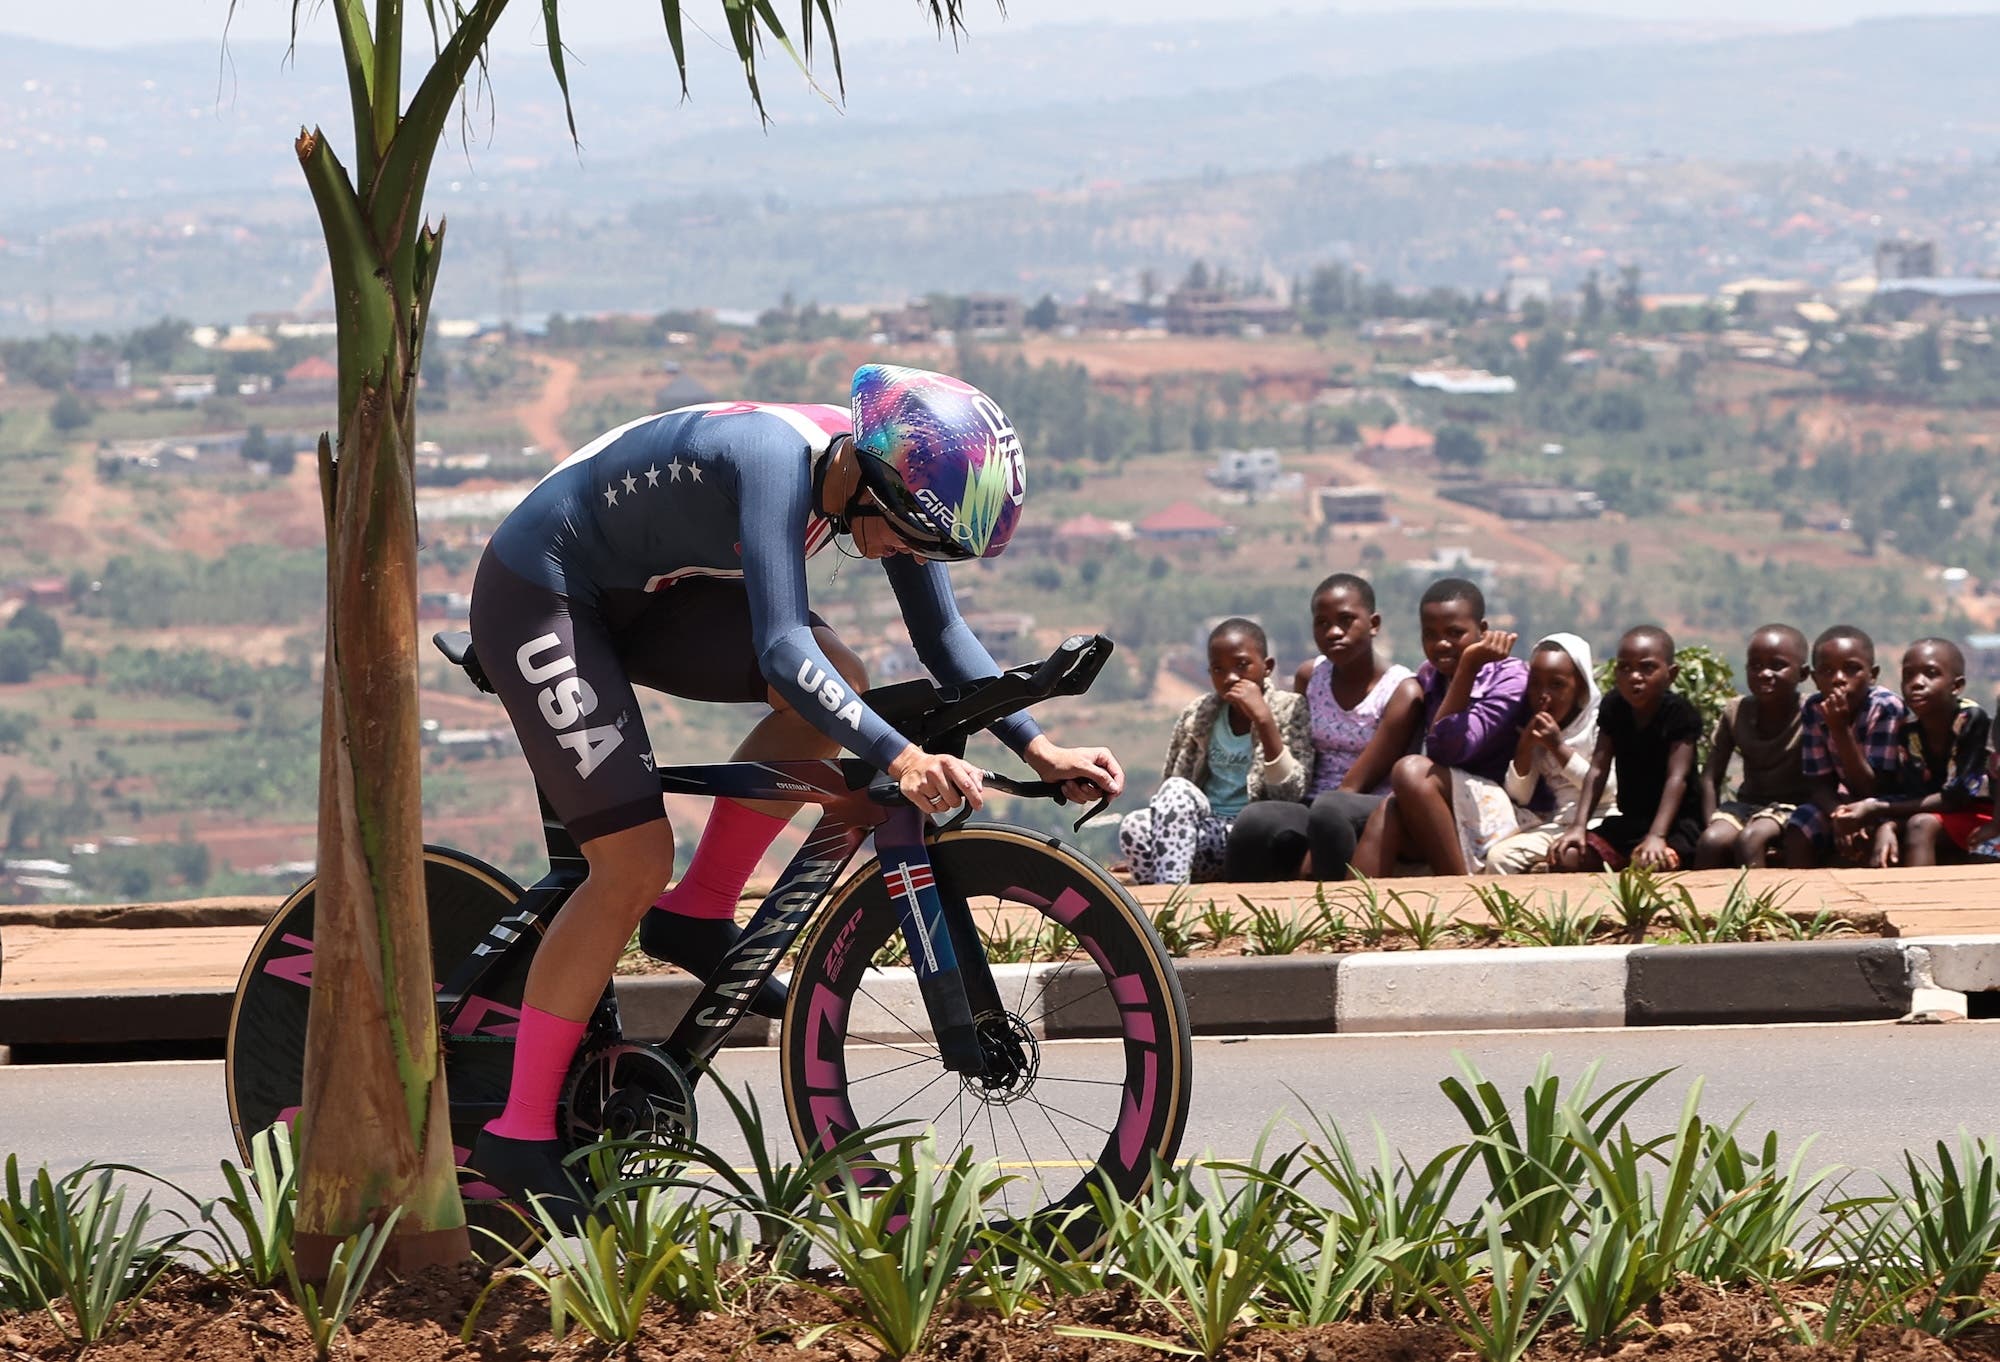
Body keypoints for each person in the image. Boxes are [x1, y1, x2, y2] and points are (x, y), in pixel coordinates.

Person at [464, 364, 1122, 1219]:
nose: (911, 557)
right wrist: (902, 758)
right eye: (910, 539)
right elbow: (779, 648)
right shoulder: (776, 461)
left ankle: (699, 911)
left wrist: (1038, 745)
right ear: (865, 479)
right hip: (543, 588)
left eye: (933, 550)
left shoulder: (886, 477)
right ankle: (517, 1136)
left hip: (650, 592)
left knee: (839, 680)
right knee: (629, 862)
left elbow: (943, 635)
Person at [1223, 573, 1421, 881]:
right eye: (1322, 623)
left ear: (1374, 624)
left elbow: (1357, 783)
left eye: (1345, 620)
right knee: (1255, 820)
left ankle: (1331, 913)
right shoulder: (1310, 676)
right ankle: (1237, 916)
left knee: (1331, 810)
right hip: (1314, 802)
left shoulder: (1402, 691)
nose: (1333, 632)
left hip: (1367, 803)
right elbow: (1298, 748)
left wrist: (1310, 856)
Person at [1350, 578, 1530, 878]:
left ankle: (1461, 890)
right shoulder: (1430, 676)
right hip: (1450, 800)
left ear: (1482, 631)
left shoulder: (1510, 678)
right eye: (1430, 634)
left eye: (1455, 633)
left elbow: (1447, 749)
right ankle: (1351, 912)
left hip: (1504, 805)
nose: (1441, 644)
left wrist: (1469, 666)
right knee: (1390, 810)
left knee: (1411, 772)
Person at [1117, 618, 1309, 884]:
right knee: (1135, 826)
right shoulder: (1199, 715)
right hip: (1201, 831)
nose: (1230, 678)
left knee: (1174, 793)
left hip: (1251, 833)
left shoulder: (1290, 709)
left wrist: (1264, 721)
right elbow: (1172, 793)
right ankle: (1167, 891)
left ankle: (1169, 901)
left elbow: (1290, 794)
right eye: (1219, 669)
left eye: (1242, 665)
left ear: (1267, 667)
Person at [1551, 626, 1704, 873]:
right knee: (1568, 856)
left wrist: (1657, 835)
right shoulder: (1614, 707)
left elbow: (1678, 778)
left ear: (1671, 674)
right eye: (1625, 668)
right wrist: (1579, 826)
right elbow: (1598, 769)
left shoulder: (1679, 714)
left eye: (1647, 668)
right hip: (1631, 823)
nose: (1634, 676)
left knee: (1650, 861)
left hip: (1675, 825)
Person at [1846, 638, 1990, 867]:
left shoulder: (1970, 720)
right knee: (1876, 830)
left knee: (1920, 825)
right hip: (1941, 813)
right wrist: (1887, 822)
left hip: (1984, 814)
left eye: (1930, 673)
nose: (1916, 683)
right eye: (1908, 675)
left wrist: (1877, 808)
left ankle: (1921, 900)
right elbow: (1914, 794)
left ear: (1956, 686)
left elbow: (1956, 797)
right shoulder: (1909, 732)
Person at [1484, 633, 1615, 874]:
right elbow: (1520, 795)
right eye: (1535, 684)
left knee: (1567, 857)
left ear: (1580, 687)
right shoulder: (1538, 728)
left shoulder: (1601, 723)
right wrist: (1525, 748)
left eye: (1557, 685)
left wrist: (1558, 747)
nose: (1543, 695)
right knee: (1500, 858)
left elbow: (1607, 791)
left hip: (1602, 821)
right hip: (1558, 824)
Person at [1780, 625, 1907, 869]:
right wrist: (1838, 814)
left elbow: (1874, 785)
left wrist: (1839, 730)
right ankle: (1799, 899)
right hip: (1842, 803)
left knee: (1874, 838)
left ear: (1873, 674)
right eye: (1827, 671)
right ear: (1816, 679)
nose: (1838, 679)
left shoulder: (1885, 707)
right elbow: (1817, 782)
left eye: (1852, 669)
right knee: (1799, 825)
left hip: (1889, 803)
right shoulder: (1814, 709)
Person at [1694, 624, 1811, 870]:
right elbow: (1709, 777)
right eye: (1755, 666)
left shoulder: (1811, 714)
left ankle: (1758, 907)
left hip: (1796, 807)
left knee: (1751, 839)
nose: (1764, 673)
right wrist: (1711, 821)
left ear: (1803, 674)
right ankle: (1710, 906)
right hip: (1747, 805)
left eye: (1777, 665)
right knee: (1711, 842)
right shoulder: (1736, 712)